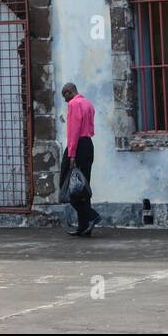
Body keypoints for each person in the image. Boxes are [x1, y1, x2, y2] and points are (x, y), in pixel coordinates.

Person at [61, 83, 100, 237]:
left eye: (65, 96)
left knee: (67, 185)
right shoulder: (88, 104)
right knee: (83, 187)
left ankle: (92, 216)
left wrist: (71, 154)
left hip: (78, 146)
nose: (65, 101)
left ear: (70, 92)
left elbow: (73, 131)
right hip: (88, 145)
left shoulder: (74, 103)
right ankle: (84, 226)